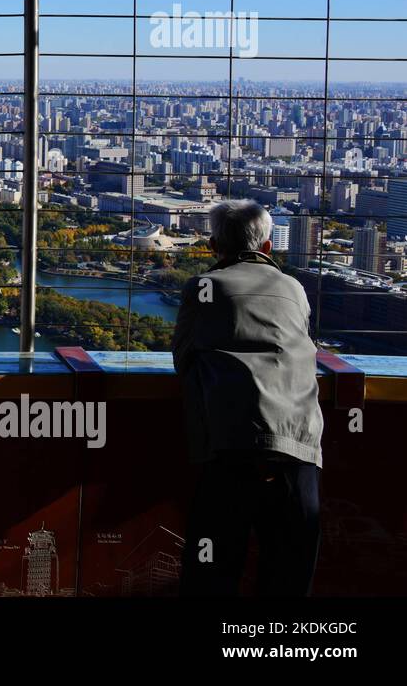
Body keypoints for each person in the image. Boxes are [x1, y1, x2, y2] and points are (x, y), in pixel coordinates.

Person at [172, 199, 324, 596]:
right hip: (298, 451)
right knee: (289, 579)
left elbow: (183, 359)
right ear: (268, 247)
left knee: (210, 577)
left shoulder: (204, 287)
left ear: (212, 246)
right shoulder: (295, 288)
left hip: (229, 450)